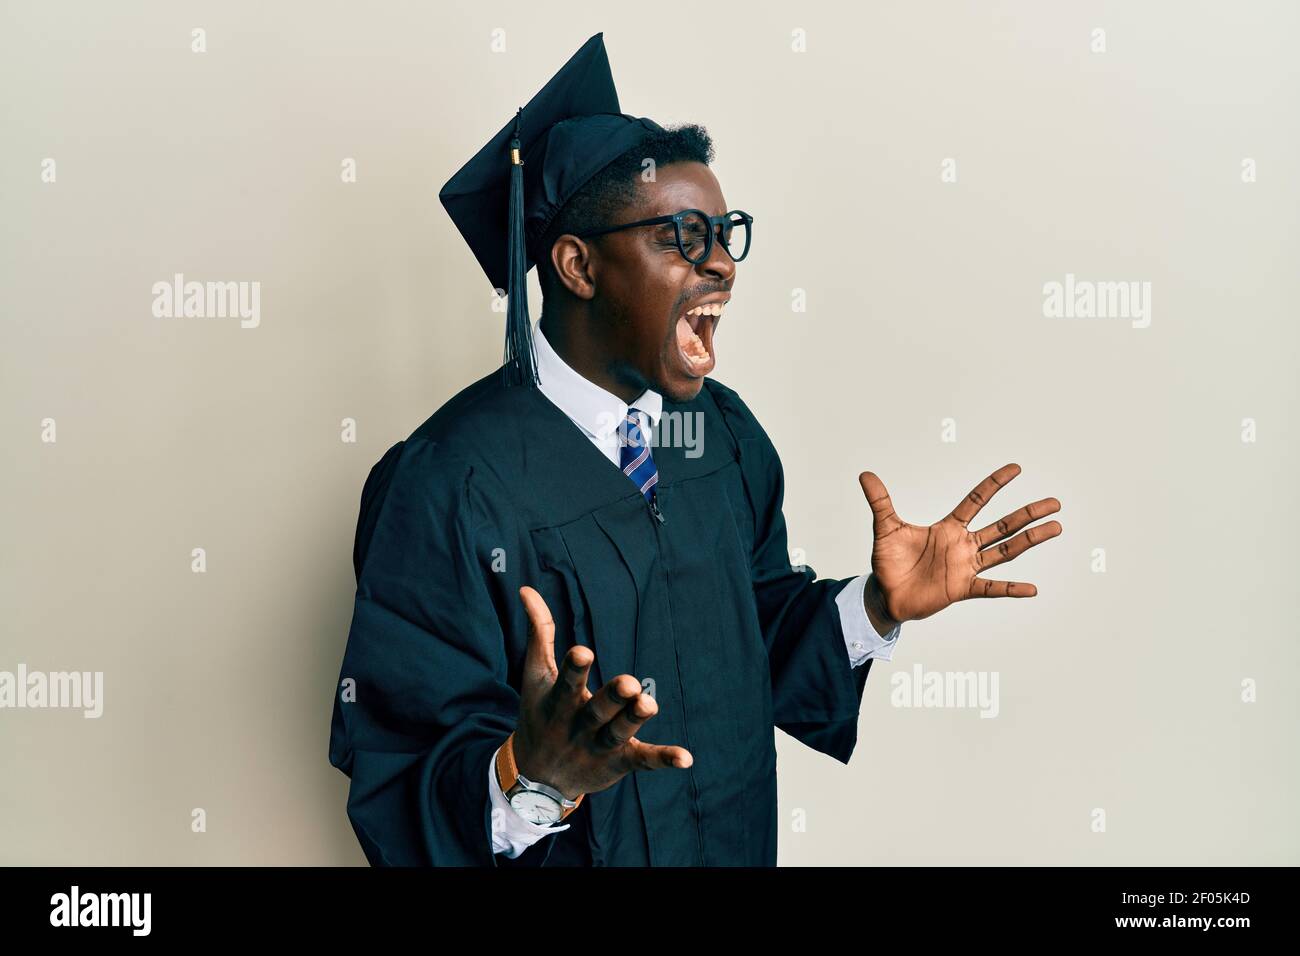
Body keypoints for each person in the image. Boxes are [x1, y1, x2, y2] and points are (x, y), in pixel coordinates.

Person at [327, 33, 1063, 866]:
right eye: (682, 234)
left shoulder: (720, 434)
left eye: (723, 232)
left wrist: (873, 607)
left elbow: (756, 645)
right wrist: (533, 776)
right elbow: (399, 766)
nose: (720, 263)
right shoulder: (448, 484)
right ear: (576, 265)